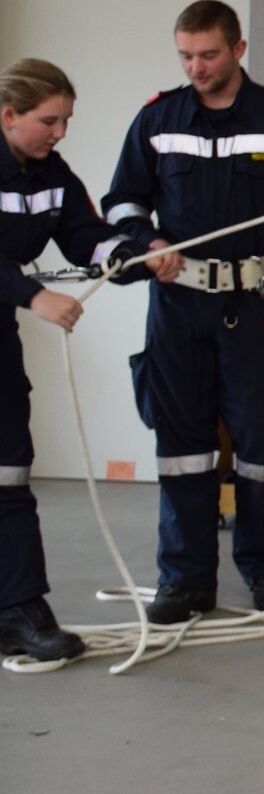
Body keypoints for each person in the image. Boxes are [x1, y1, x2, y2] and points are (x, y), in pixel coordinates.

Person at [103, 1, 264, 623]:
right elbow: (121, 201)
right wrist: (147, 241)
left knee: (263, 448)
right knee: (182, 449)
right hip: (178, 308)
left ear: (238, 49)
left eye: (207, 55)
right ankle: (184, 581)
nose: (196, 67)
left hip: (256, 307)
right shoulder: (158, 119)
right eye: (185, 56)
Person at [0, 59, 148, 662]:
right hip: (12, 302)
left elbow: (85, 233)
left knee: (9, 474)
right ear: (8, 116)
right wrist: (34, 295)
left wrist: (129, 255)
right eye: (48, 121)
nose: (59, 133)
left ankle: (19, 610)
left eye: (66, 121)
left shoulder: (51, 173)